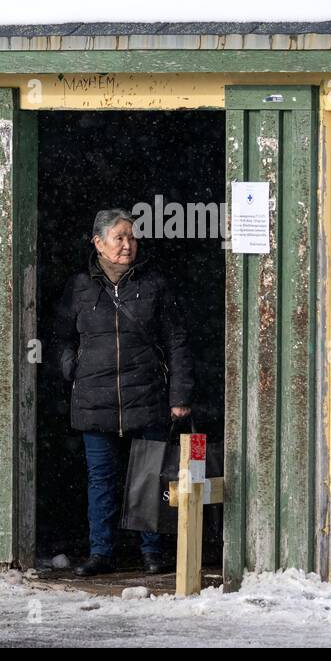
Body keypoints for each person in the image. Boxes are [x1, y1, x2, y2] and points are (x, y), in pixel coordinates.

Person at [55, 208, 194, 577]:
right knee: (100, 479)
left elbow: (177, 340)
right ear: (98, 243)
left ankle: (152, 551)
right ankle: (101, 552)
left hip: (146, 394)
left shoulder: (153, 285)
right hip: (95, 398)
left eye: (131, 237)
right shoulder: (80, 287)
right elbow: (62, 337)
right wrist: (73, 369)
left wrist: (179, 397)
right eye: (119, 237)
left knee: (149, 474)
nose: (127, 244)